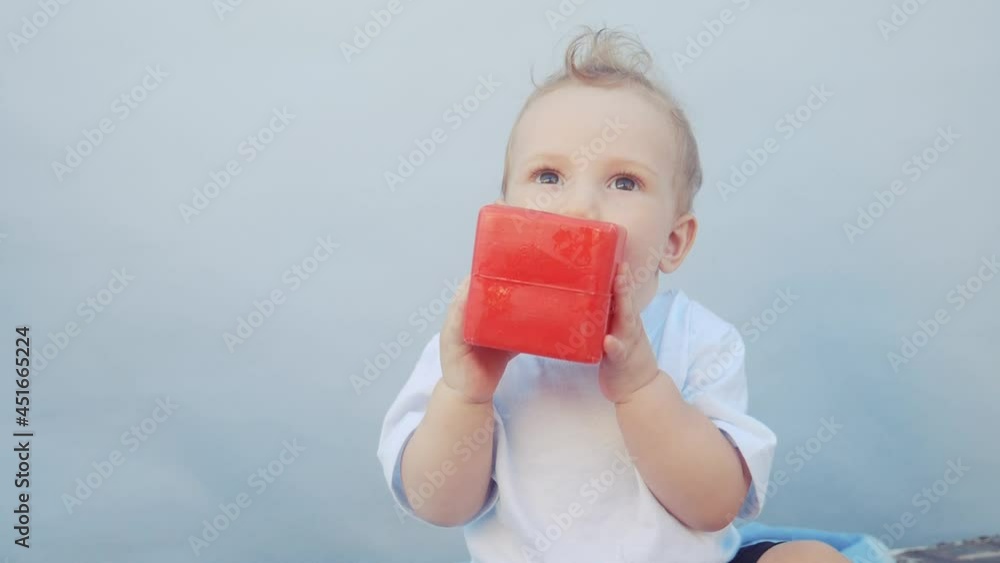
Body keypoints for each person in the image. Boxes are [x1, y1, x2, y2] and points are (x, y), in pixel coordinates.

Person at [377, 26, 848, 563]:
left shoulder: (699, 340)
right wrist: (466, 397)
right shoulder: (468, 350)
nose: (578, 209)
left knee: (809, 558)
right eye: (548, 175)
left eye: (624, 182)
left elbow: (715, 506)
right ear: (506, 217)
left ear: (673, 241)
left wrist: (642, 387)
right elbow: (438, 504)